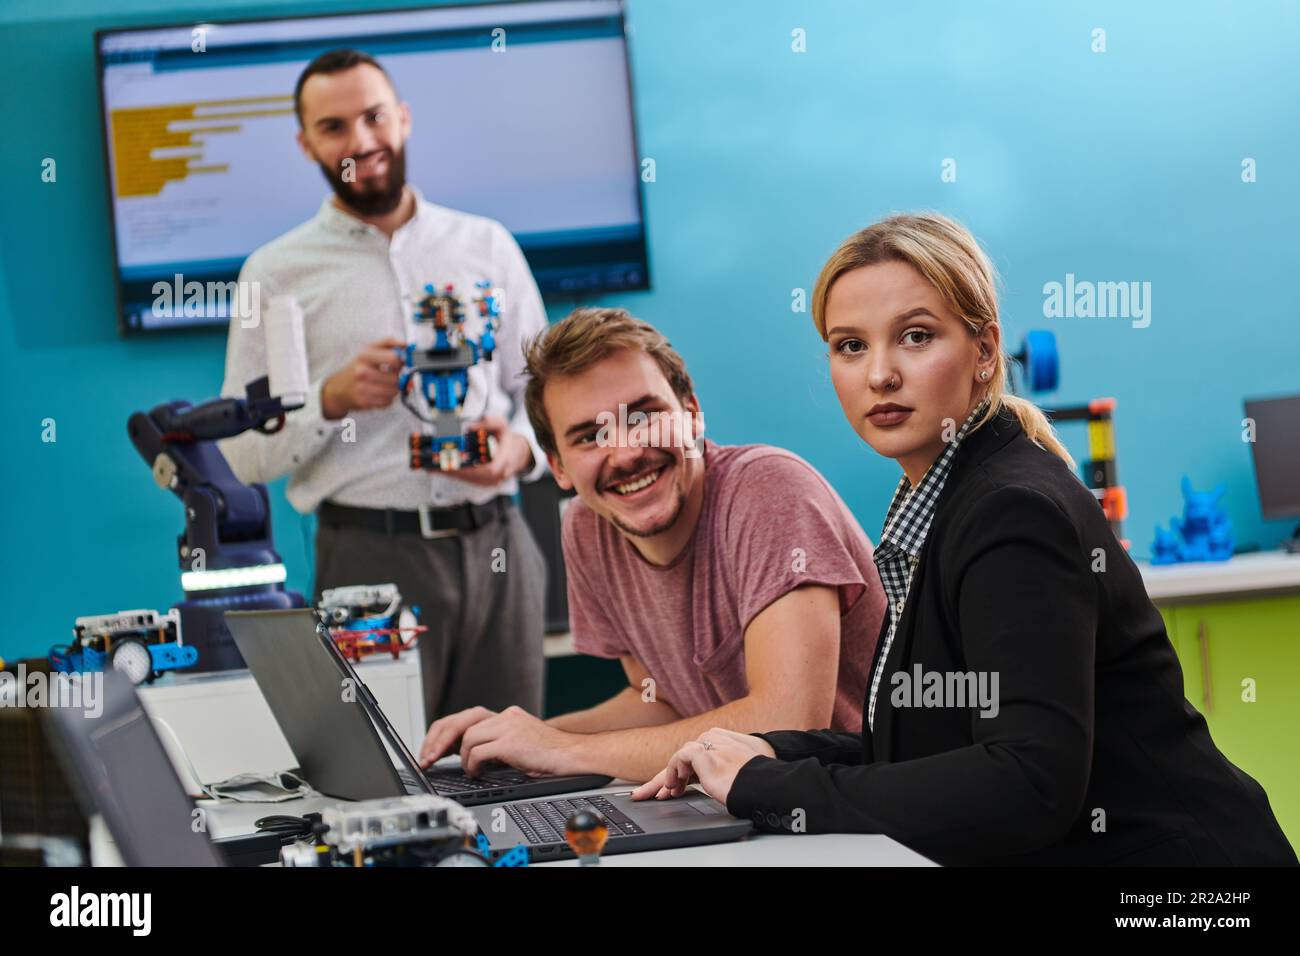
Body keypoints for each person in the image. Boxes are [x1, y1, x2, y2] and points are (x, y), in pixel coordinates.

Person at [634, 213, 1298, 866]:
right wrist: (772, 754)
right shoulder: (946, 500)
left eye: (916, 337)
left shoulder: (1011, 510)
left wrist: (767, 788)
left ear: (984, 351)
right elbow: (937, 750)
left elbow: (1025, 783)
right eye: (850, 345)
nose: (880, 375)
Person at [417, 307, 887, 782]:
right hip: (754, 805)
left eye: (642, 417)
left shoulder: (771, 490)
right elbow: (661, 703)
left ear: (692, 415)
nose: (625, 453)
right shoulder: (586, 526)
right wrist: (517, 739)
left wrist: (563, 750)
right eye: (589, 436)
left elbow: (788, 725)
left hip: (866, 809)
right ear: (557, 467)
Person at [220, 49, 549, 724]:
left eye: (373, 117)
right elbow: (246, 458)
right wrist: (327, 401)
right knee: (387, 772)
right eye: (334, 127)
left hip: (500, 549)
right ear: (306, 141)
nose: (361, 142)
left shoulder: (487, 246)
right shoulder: (273, 274)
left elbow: (547, 400)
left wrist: (516, 451)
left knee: (516, 769)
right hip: (369, 557)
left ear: (401, 118)